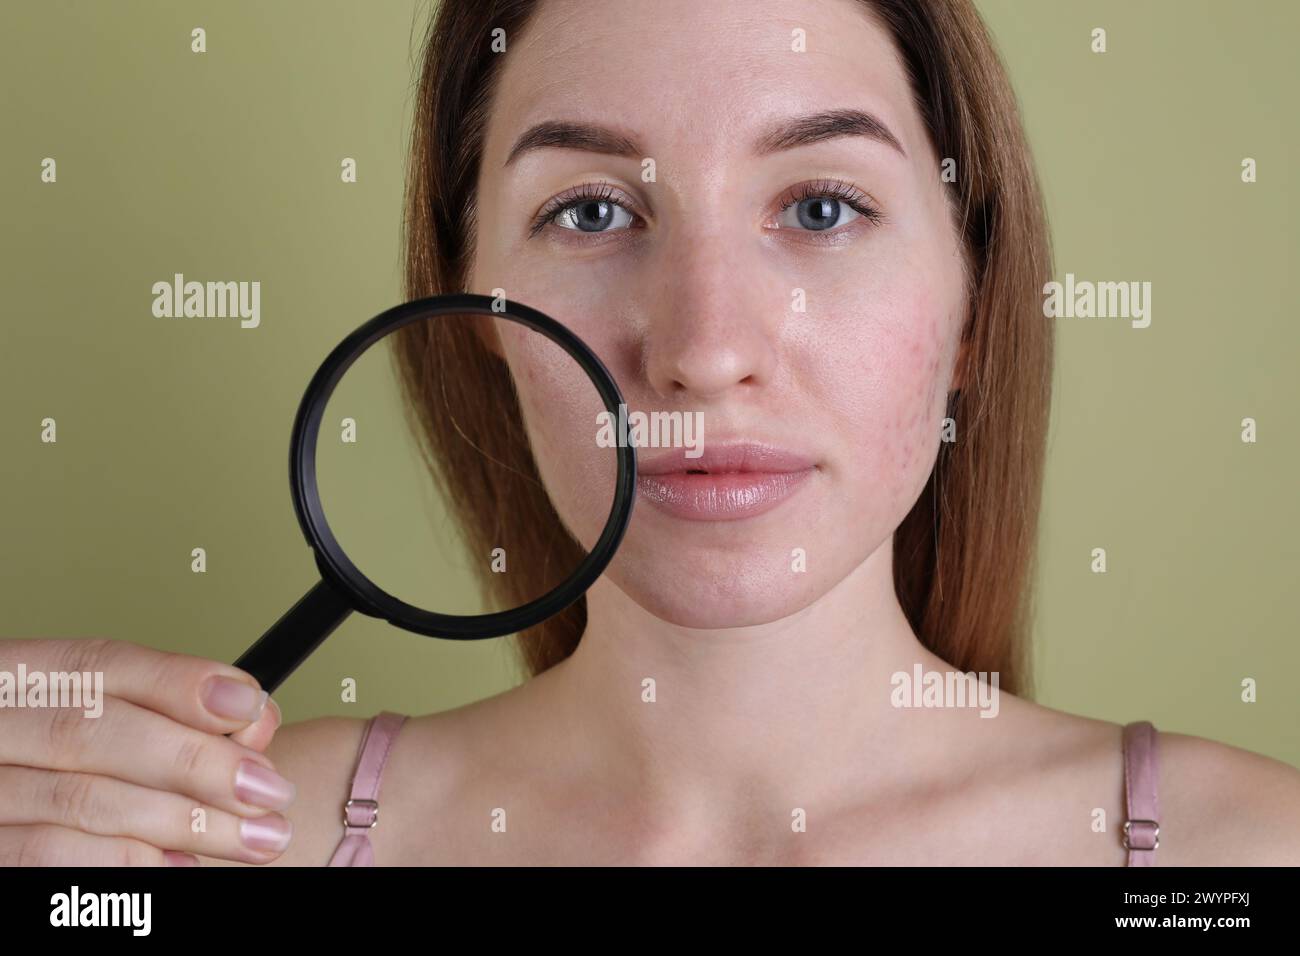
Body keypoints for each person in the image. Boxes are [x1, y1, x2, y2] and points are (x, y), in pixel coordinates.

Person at [3, 0, 1298, 867]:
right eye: (592, 214)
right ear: (477, 313)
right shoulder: (216, 843)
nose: (702, 346)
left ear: (972, 309)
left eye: (826, 206)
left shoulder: (1230, 863)